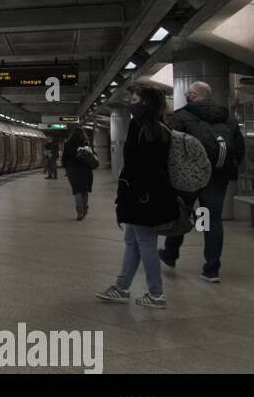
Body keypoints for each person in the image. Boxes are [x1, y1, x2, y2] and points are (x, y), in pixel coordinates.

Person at [96, 85, 179, 308]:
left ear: (146, 103)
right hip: (152, 196)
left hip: (142, 198)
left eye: (135, 100)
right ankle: (122, 287)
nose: (131, 104)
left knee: (145, 245)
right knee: (132, 242)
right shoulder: (161, 128)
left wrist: (130, 195)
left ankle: (156, 294)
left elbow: (137, 167)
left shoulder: (139, 127)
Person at [159, 81, 247, 282]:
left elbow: (171, 150)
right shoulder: (228, 118)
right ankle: (211, 269)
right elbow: (239, 149)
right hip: (216, 179)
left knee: (181, 213)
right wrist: (223, 170)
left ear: (191, 95)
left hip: (189, 179)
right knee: (210, 220)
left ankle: (171, 254)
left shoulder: (181, 117)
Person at [60, 128, 95, 220]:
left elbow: (64, 158)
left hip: (73, 171)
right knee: (85, 191)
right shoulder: (86, 143)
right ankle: (85, 208)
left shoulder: (68, 144)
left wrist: (65, 167)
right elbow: (94, 156)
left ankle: (80, 212)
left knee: (77, 191)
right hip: (86, 170)